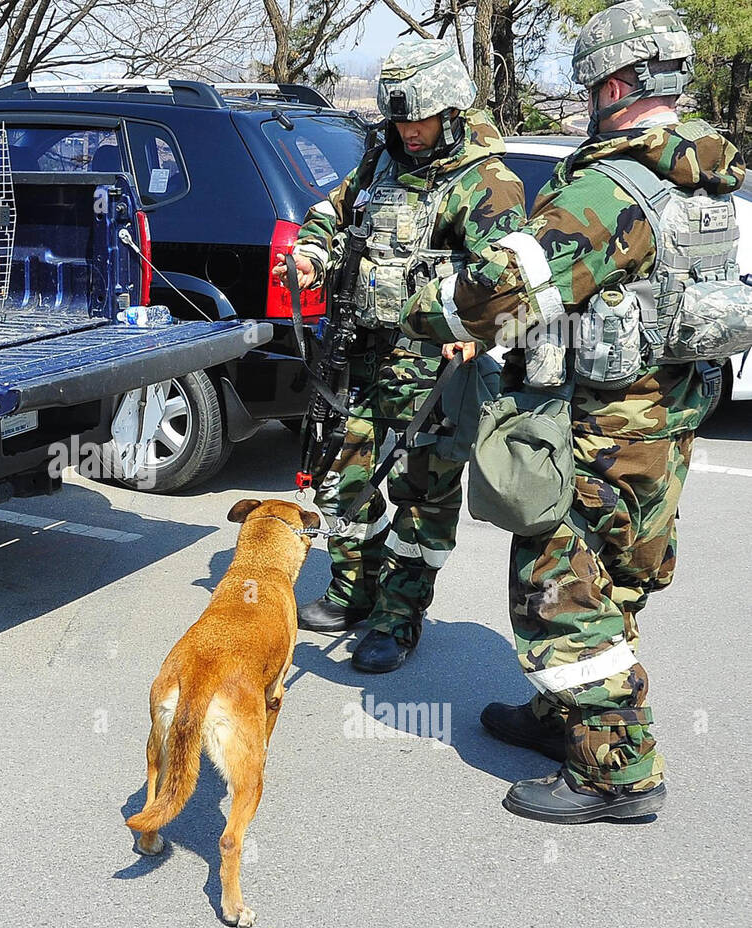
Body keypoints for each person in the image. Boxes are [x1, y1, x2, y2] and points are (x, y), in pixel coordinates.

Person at [401, 0, 745, 821]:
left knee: (560, 586)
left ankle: (616, 771)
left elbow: (498, 293)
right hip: (667, 417)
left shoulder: (608, 188)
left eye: (592, 83)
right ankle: (562, 719)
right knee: (621, 573)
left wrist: (421, 303)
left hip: (603, 425)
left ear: (619, 81)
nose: (589, 97)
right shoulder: (697, 177)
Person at [273, 39, 526, 673]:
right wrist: (310, 257)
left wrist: (468, 330)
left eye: (421, 120)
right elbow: (331, 216)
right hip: (361, 359)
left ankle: (399, 614)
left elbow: (502, 283)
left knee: (424, 499)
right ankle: (354, 590)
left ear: (451, 111)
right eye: (399, 119)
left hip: (436, 375)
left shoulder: (487, 181)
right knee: (342, 483)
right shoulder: (379, 162)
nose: (409, 132)